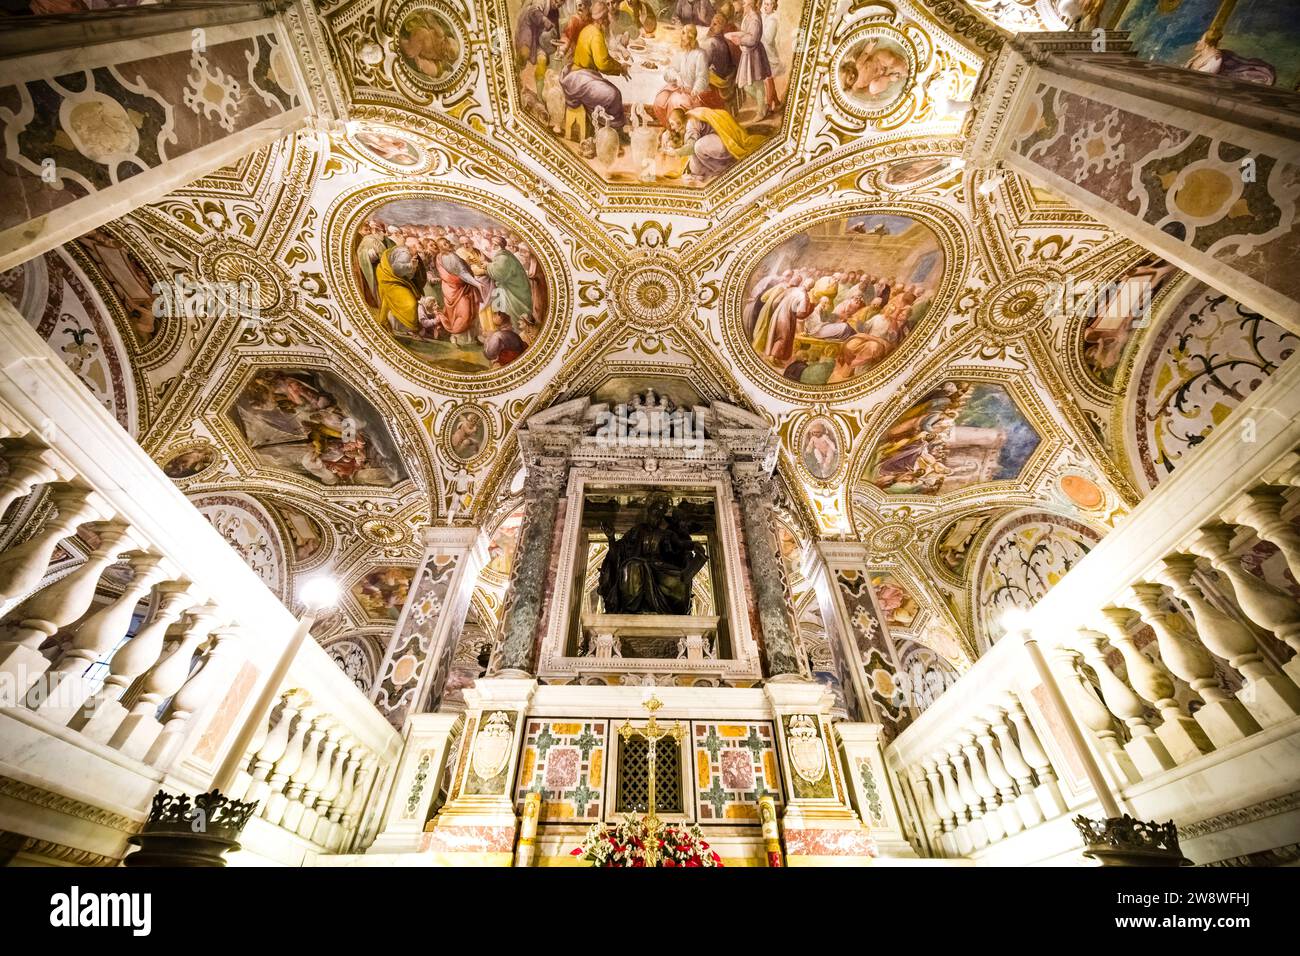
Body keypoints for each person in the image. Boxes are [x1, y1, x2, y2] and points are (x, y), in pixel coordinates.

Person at [561, 1, 629, 129]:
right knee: (614, 95)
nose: (609, 21)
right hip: (579, 79)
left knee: (610, 89)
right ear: (602, 20)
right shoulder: (596, 35)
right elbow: (603, 64)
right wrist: (620, 68)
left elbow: (604, 58)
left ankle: (604, 124)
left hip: (579, 75)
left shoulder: (589, 29)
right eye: (607, 18)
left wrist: (619, 66)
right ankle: (610, 129)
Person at [736, 0, 772, 119]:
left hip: (755, 54)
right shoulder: (747, 16)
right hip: (747, 53)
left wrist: (739, 40)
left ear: (750, 4)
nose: (743, 4)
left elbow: (753, 39)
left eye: (745, 2)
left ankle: (761, 111)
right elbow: (745, 33)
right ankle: (763, 105)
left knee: (757, 83)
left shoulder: (755, 18)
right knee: (746, 85)